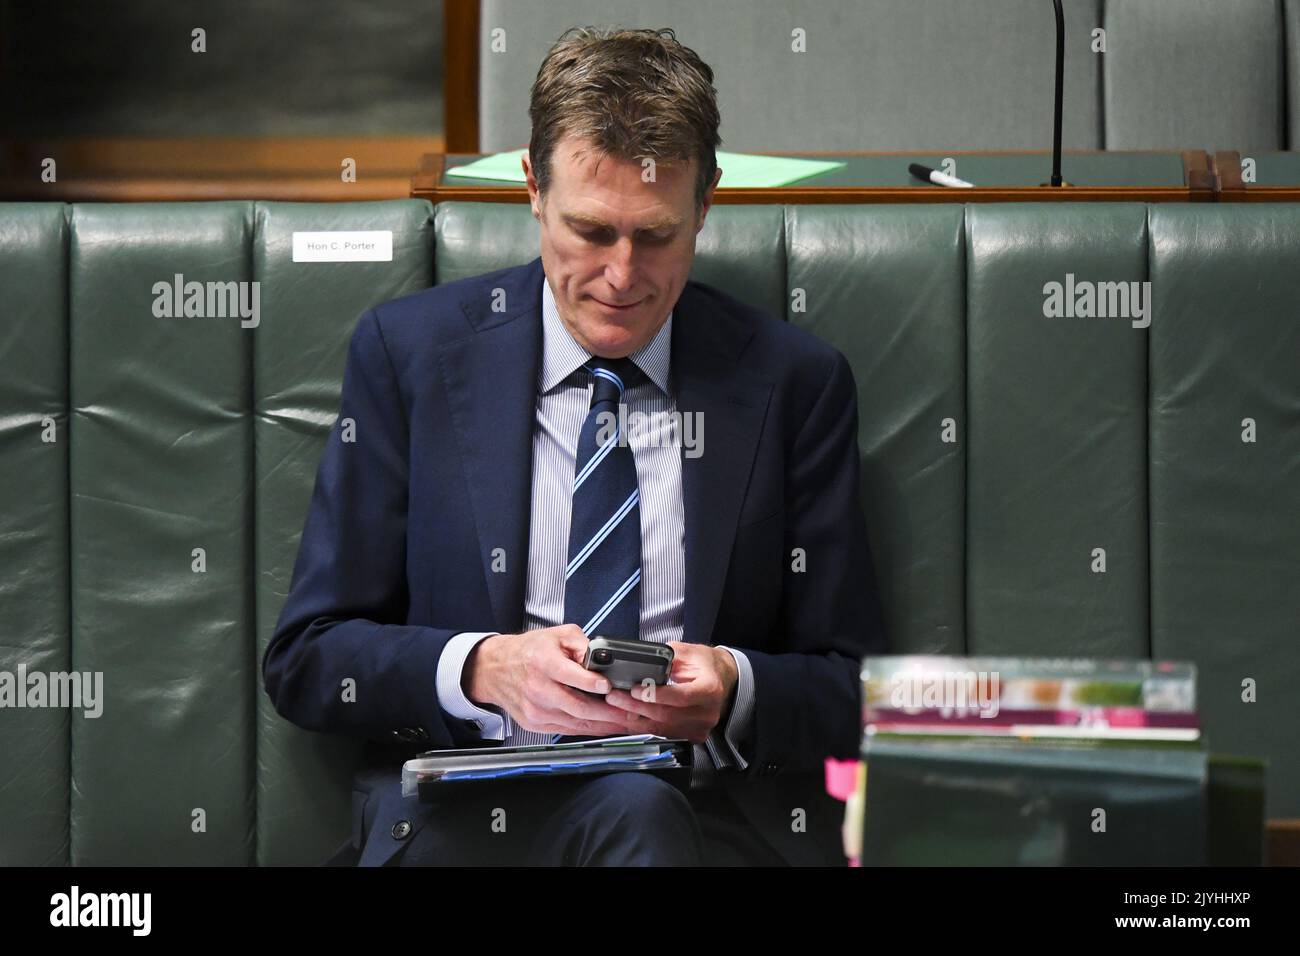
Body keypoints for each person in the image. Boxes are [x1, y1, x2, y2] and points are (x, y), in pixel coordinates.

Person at [263, 26, 886, 867]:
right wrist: (482, 669)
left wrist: (735, 688)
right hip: (464, 817)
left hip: (695, 823)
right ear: (532, 187)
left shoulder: (794, 384)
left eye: (657, 236)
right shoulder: (408, 356)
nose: (622, 277)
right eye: (591, 232)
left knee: (638, 815)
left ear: (706, 205)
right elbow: (308, 659)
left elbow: (855, 692)